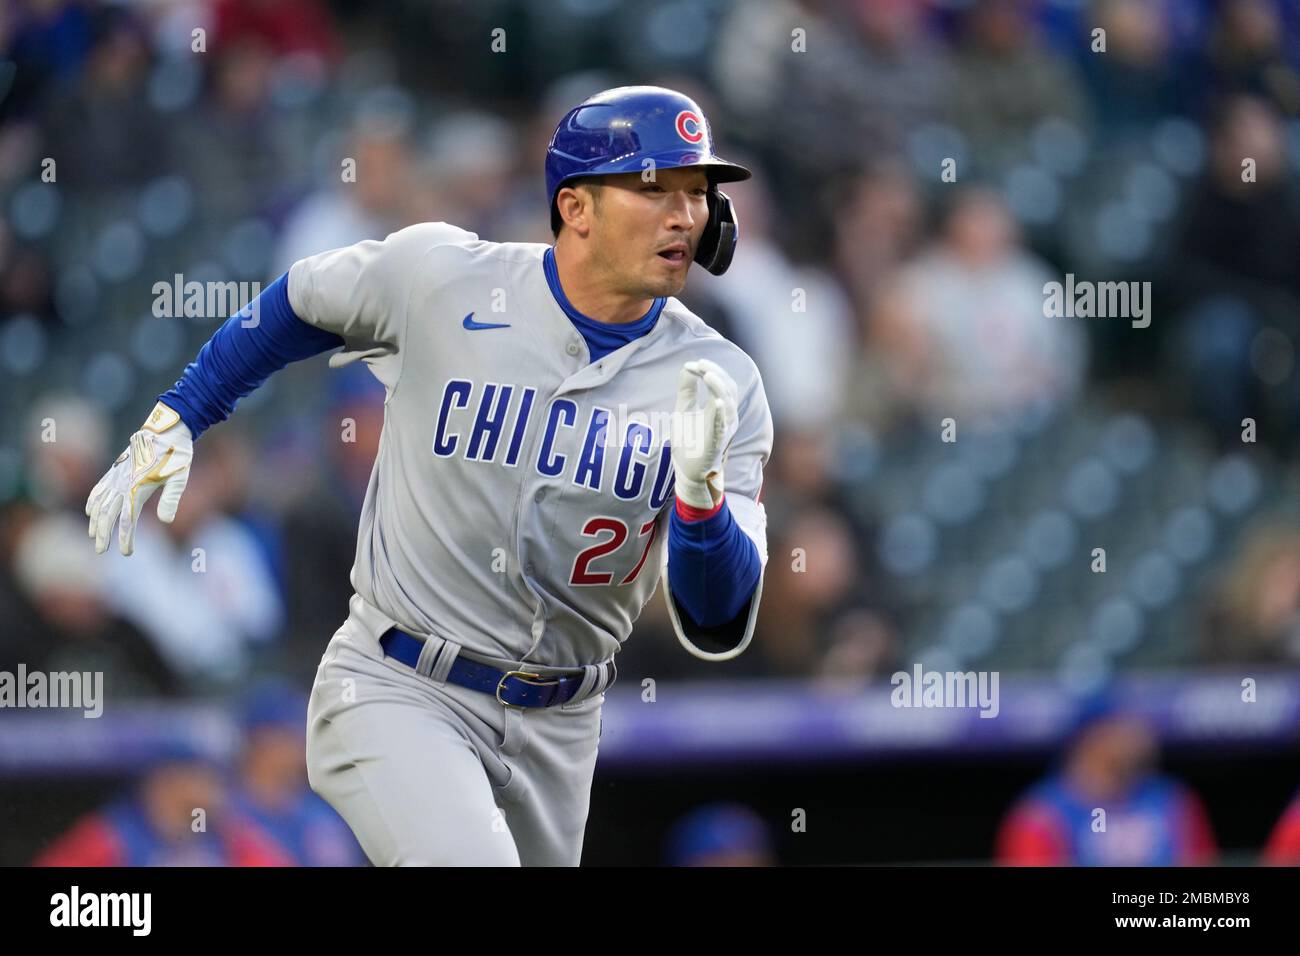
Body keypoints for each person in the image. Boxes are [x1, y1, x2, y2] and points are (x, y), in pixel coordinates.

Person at [83, 86, 774, 866]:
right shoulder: (444, 278)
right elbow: (300, 301)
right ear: (576, 208)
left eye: (696, 193)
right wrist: (184, 411)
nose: (685, 215)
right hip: (402, 684)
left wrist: (701, 499)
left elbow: (716, 621)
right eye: (654, 188)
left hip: (564, 723)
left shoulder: (723, 380)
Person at [995, 694, 1217, 866]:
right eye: (1122, 728)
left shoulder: (1173, 801)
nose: (1139, 738)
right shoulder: (1042, 813)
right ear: (1092, 737)